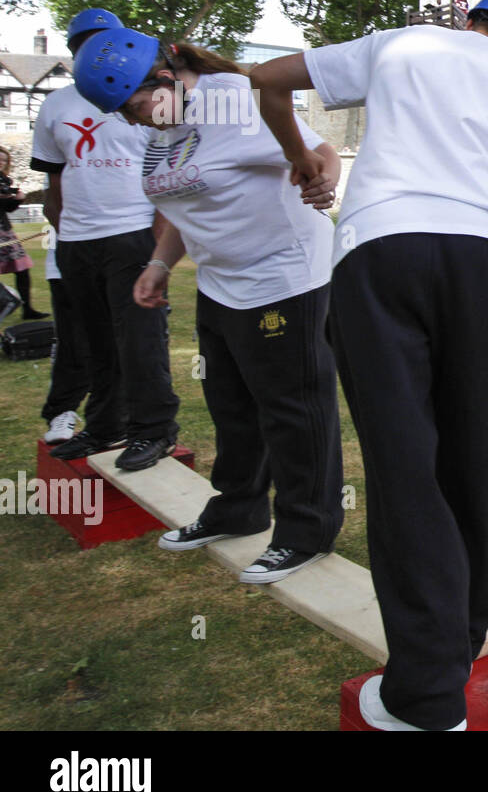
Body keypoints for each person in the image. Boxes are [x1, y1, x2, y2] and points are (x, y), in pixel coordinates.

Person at [249, 0, 488, 732]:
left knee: (405, 464)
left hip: (380, 248)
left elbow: (265, 81)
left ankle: (427, 693)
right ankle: (457, 643)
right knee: (470, 457)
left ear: (471, 24)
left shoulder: (399, 42)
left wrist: (304, 159)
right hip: (476, 260)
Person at [72, 29, 345, 583]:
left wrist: (323, 183)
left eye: (136, 106)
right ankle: (239, 508)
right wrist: (158, 263)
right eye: (123, 115)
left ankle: (306, 530)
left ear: (165, 72)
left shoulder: (236, 101)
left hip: (283, 278)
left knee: (293, 410)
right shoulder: (163, 121)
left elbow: (320, 153)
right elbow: (181, 195)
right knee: (231, 404)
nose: (135, 121)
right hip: (221, 283)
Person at [33, 9, 180, 472]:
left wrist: (157, 244)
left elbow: (165, 169)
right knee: (93, 340)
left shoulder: (143, 97)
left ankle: (153, 431)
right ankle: (103, 426)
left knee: (140, 340)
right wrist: (64, 230)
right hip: (77, 239)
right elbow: (53, 182)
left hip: (133, 232)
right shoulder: (56, 105)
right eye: (84, 45)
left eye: (104, 42)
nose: (94, 53)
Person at [39, 227, 90, 445]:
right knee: (73, 344)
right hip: (68, 262)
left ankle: (125, 418)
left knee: (129, 344)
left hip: (129, 262)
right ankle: (61, 411)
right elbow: (53, 206)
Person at [0, 148, 46, 319]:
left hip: (4, 230)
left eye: (4, 160)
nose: (1, 163)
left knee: (22, 269)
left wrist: (17, 200)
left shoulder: (5, 180)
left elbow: (8, 208)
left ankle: (27, 309)